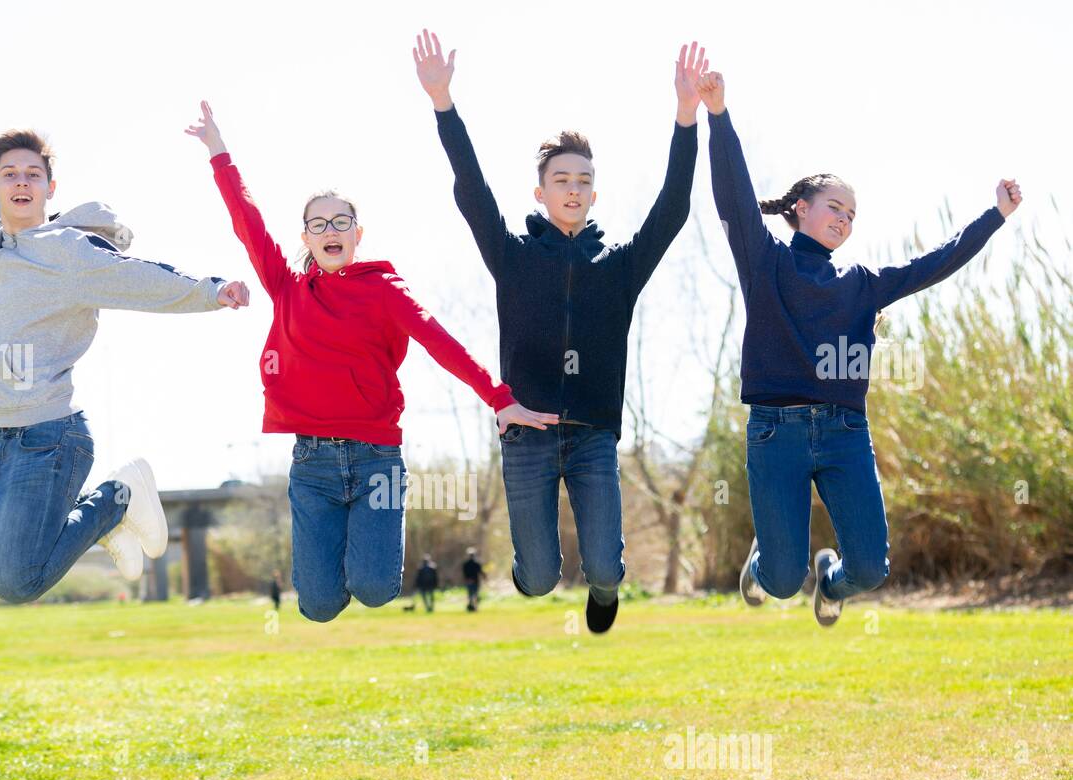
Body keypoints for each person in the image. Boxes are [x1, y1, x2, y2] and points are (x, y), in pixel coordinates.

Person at [188, 100, 556, 623]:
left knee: (377, 589)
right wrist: (218, 152)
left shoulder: (383, 289)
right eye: (319, 223)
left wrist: (499, 399)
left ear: (358, 233)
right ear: (307, 239)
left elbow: (439, 340)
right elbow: (246, 222)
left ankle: (368, 553)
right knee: (316, 606)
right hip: (311, 465)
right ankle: (329, 566)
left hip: (376, 461)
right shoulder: (287, 287)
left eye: (342, 220)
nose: (331, 229)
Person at [696, 68, 1022, 627]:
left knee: (870, 569)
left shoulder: (863, 283)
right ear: (802, 208)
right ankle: (763, 563)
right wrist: (719, 115)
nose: (844, 221)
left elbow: (933, 265)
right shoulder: (765, 261)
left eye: (851, 215)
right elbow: (732, 195)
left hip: (846, 432)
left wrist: (995, 216)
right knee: (778, 581)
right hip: (775, 431)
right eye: (835, 208)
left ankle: (832, 581)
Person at [0, 72, 250, 607]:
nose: (21, 182)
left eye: (33, 174)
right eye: (9, 174)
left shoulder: (68, 252)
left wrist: (212, 291)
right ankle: (104, 522)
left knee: (17, 582)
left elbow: (141, 279)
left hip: (50, 439)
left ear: (50, 189)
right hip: (1, 441)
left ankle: (118, 498)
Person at [414, 30, 704, 634]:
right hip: (527, 432)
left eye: (583, 181)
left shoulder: (619, 267)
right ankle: (530, 572)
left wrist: (684, 118)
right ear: (541, 192)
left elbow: (673, 209)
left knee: (605, 567)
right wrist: (444, 105)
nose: (572, 189)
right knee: (540, 579)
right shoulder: (513, 257)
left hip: (594, 434)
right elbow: (472, 193)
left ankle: (604, 590)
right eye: (561, 179)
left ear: (594, 194)